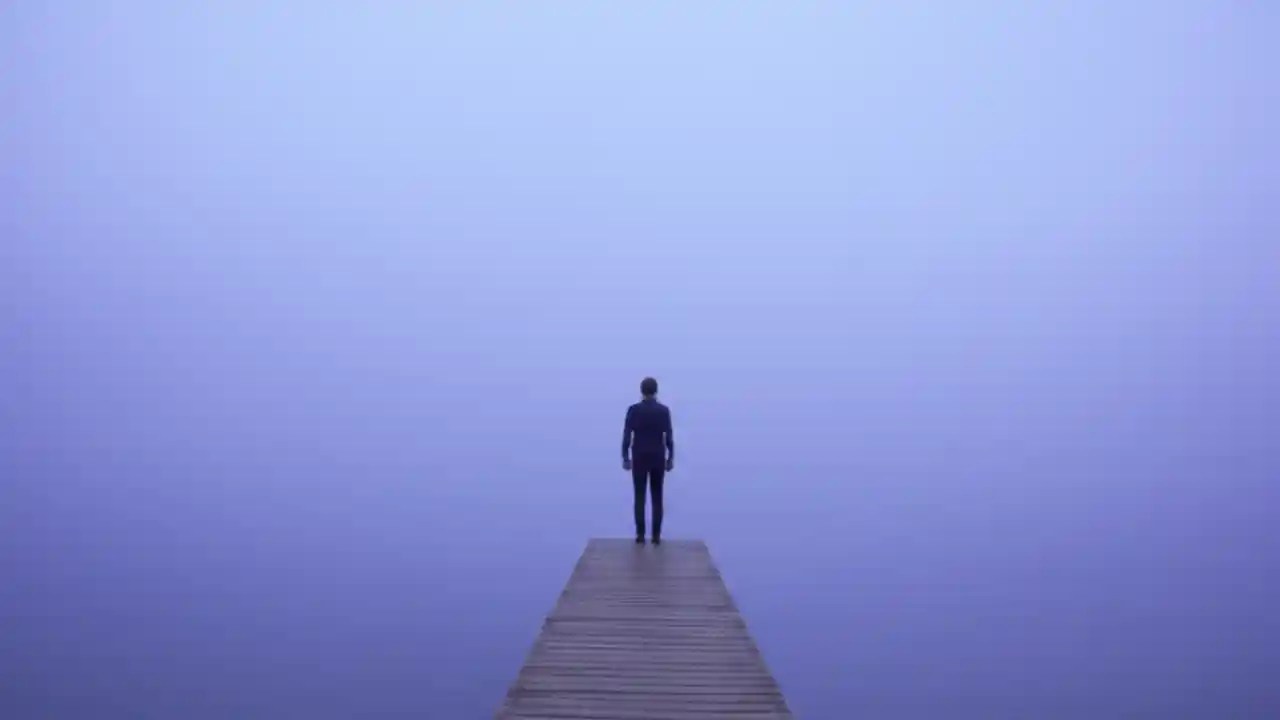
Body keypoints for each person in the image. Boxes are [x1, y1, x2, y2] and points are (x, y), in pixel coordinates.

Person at [621, 377, 674, 545]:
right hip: (658, 456)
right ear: (656, 390)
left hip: (639, 456)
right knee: (657, 496)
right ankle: (656, 536)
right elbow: (669, 437)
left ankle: (640, 535)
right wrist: (671, 457)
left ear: (642, 391)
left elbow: (627, 435)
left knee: (639, 496)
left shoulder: (634, 410)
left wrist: (625, 456)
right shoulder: (664, 411)